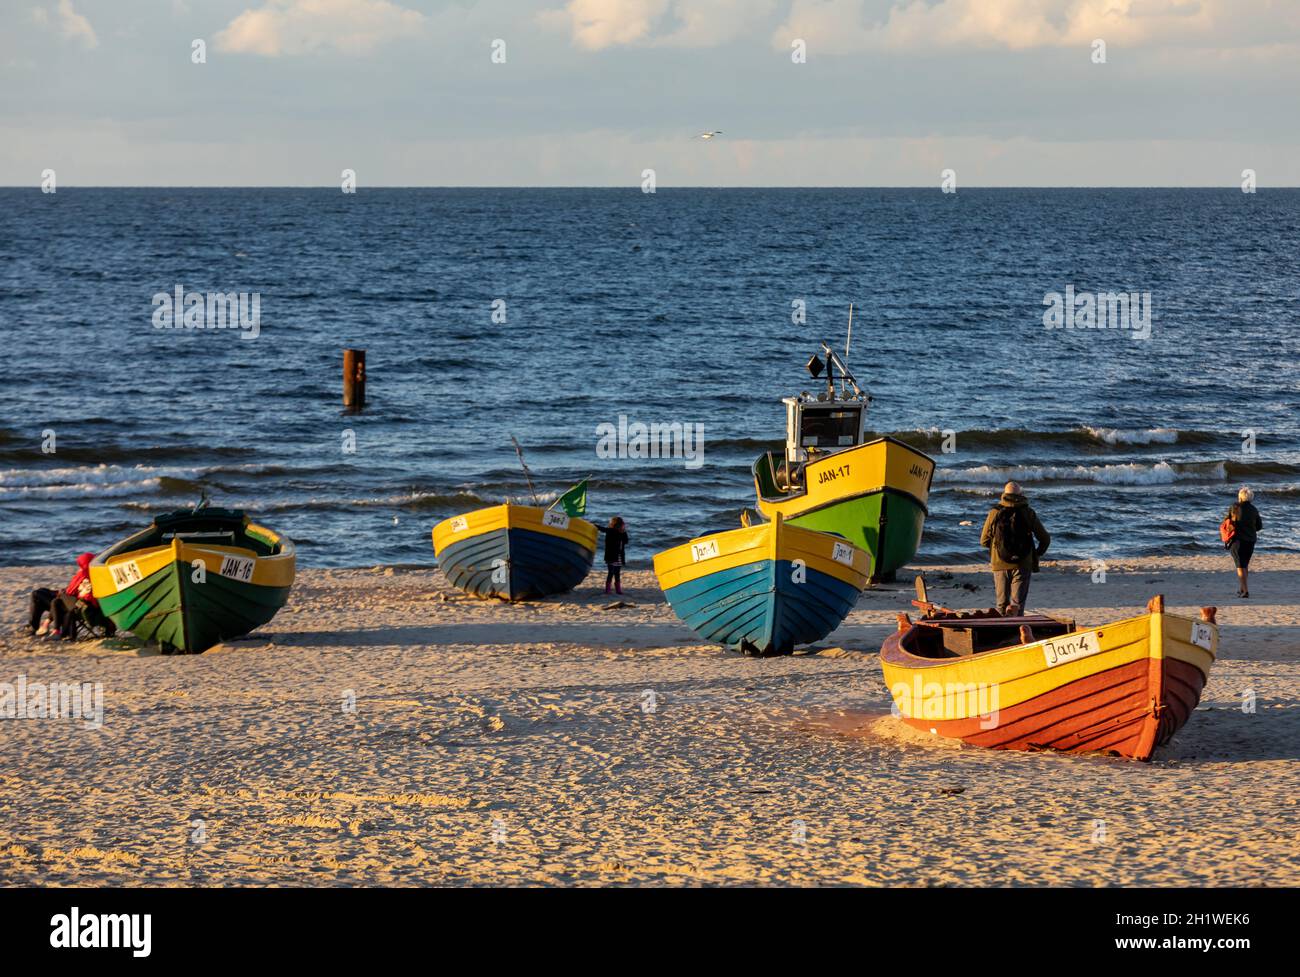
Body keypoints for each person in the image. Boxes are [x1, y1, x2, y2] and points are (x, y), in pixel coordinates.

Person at [979, 481, 1051, 615]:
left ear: (1004, 494)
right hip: (1023, 563)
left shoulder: (994, 512)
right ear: (1021, 494)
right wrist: (1036, 554)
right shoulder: (1028, 513)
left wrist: (997, 549)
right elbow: (1045, 539)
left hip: (1000, 564)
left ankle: (1002, 630)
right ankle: (1018, 630)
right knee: (1017, 604)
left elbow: (983, 541)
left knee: (1001, 604)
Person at [29, 553, 114, 641]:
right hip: (87, 606)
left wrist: (62, 592)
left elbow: (70, 592)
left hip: (82, 606)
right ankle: (52, 628)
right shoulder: (96, 575)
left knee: (48, 597)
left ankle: (44, 625)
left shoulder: (84, 573)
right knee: (52, 598)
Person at [1225, 487, 1263, 598]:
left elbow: (1228, 522)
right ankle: (1242, 589)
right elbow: (1259, 526)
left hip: (1237, 541)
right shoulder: (1254, 509)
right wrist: (1249, 528)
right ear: (1251, 497)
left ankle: (1245, 591)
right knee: (1245, 565)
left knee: (1240, 566)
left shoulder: (1235, 507)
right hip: (1251, 540)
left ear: (1240, 496)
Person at [595, 517, 629, 596]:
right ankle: (608, 589)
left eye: (623, 525)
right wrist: (594, 525)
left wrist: (624, 532)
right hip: (611, 556)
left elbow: (626, 541)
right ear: (617, 525)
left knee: (617, 573)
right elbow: (602, 529)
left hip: (619, 556)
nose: (623, 526)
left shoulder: (622, 533)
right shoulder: (611, 531)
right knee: (611, 572)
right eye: (622, 525)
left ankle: (618, 589)